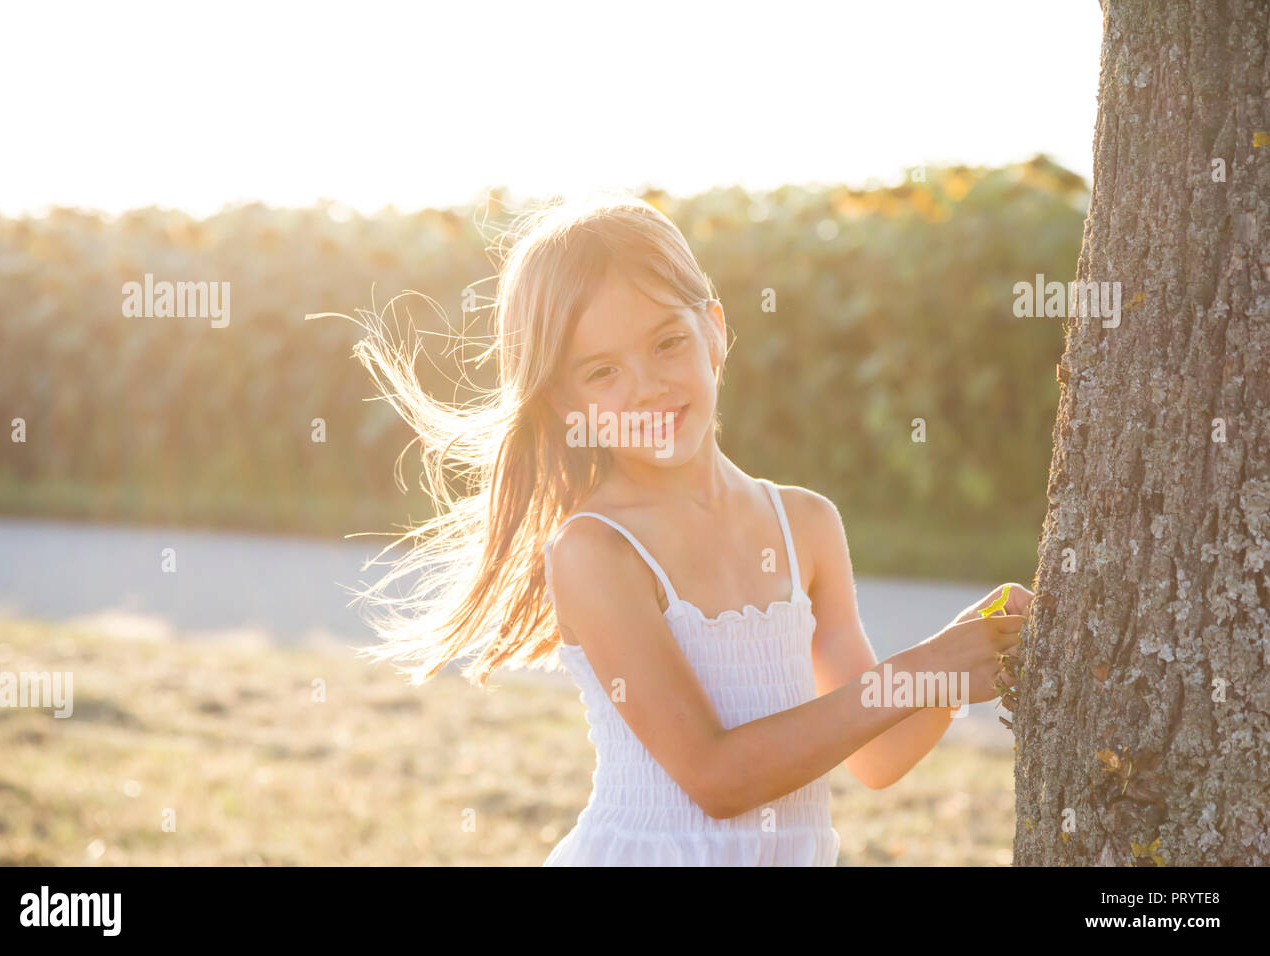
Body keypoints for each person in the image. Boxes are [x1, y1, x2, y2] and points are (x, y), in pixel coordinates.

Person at [342, 189, 1030, 866]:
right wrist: (921, 669)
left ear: (716, 330)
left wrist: (959, 654)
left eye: (667, 342)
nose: (646, 386)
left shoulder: (808, 525)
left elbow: (875, 755)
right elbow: (717, 777)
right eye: (603, 370)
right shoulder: (597, 551)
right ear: (562, 400)